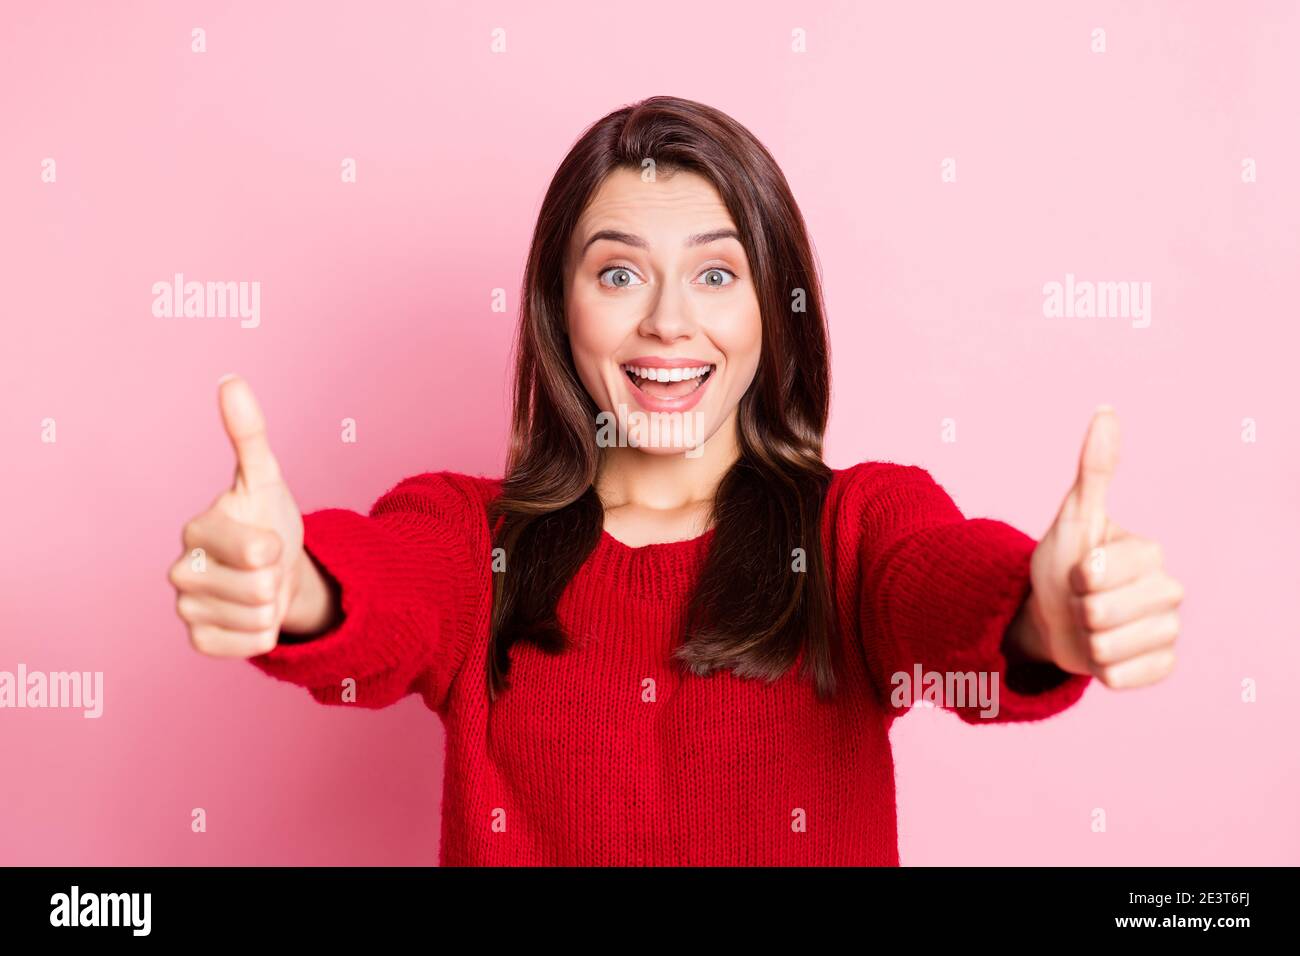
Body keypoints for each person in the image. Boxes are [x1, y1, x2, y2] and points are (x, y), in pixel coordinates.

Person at [166, 96, 1184, 866]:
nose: (666, 320)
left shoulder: (852, 527)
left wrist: (1042, 617)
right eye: (617, 273)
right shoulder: (472, 533)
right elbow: (384, 582)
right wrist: (291, 584)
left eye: (715, 272)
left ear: (773, 308)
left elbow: (938, 581)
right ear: (559, 307)